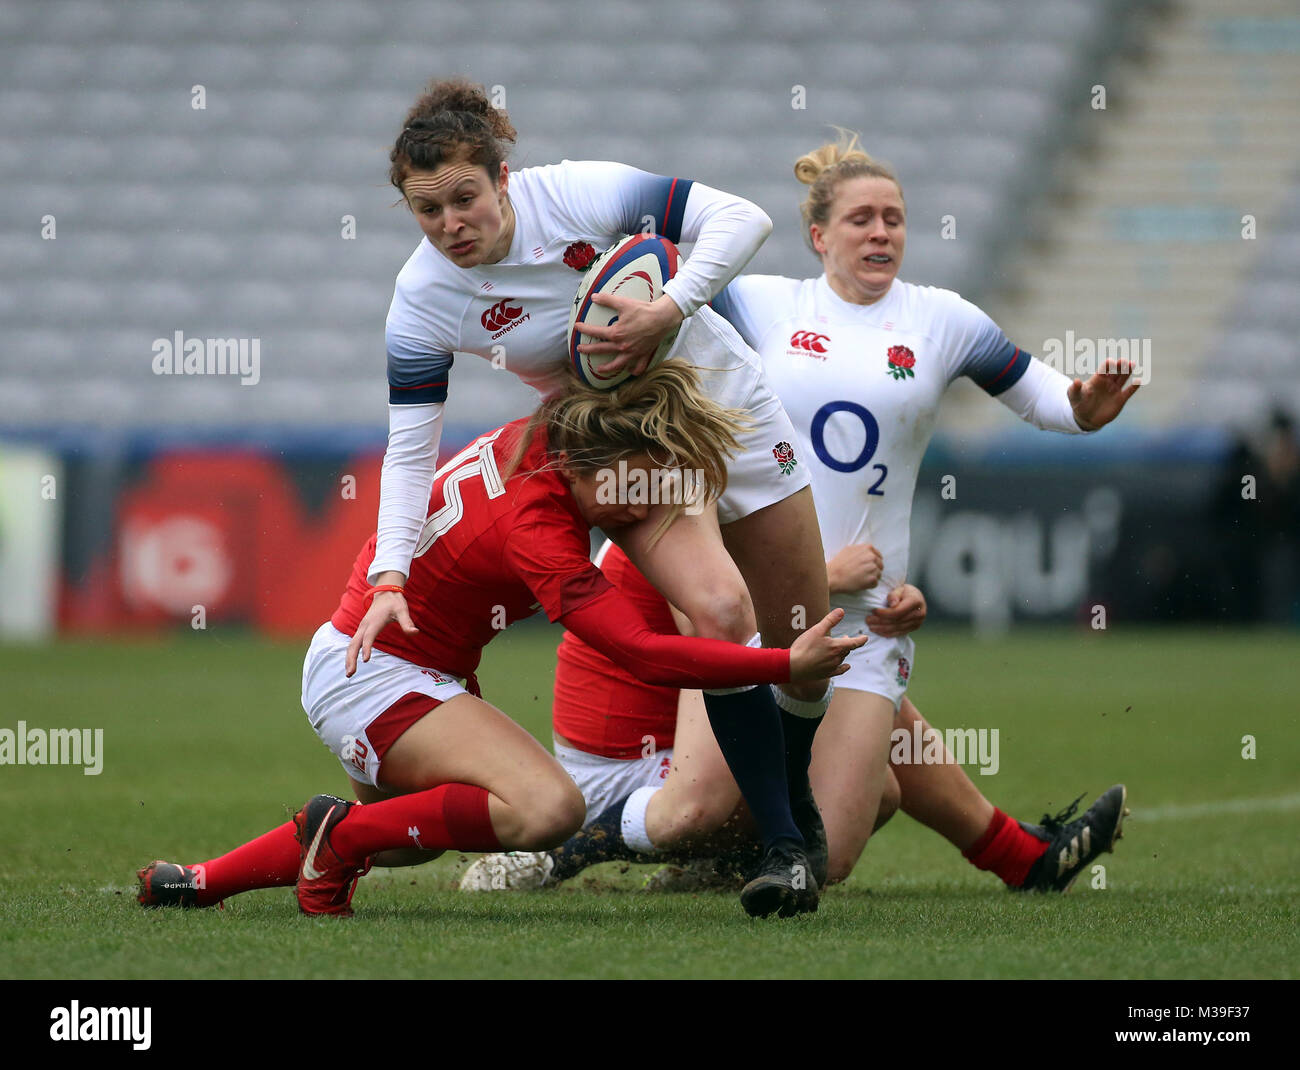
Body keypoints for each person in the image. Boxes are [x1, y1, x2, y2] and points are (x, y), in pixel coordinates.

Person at [461, 131, 1137, 894]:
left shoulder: (943, 320)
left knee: (843, 840)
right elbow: (642, 319)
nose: (881, 231)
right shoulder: (757, 302)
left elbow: (1038, 390)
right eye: (861, 219)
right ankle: (567, 850)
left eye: (894, 217)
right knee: (701, 806)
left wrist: (1080, 410)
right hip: (754, 596)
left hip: (862, 619)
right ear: (818, 236)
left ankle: (1011, 857)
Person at [348, 77, 859, 916]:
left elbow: (743, 219)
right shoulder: (423, 299)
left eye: (465, 200)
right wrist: (390, 575)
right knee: (725, 611)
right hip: (622, 446)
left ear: (503, 181)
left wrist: (668, 308)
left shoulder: (577, 193)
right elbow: (410, 448)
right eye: (426, 210)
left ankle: (791, 816)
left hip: (725, 406)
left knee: (805, 642)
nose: (450, 226)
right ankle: (782, 846)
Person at [136, 366, 865, 917]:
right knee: (549, 810)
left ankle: (198, 883)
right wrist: (782, 662)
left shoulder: (559, 431)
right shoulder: (539, 533)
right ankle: (337, 845)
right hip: (377, 672)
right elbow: (642, 651)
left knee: (401, 836)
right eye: (634, 490)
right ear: (588, 470)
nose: (642, 509)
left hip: (373, 658)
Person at [462, 539, 1124, 895]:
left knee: (872, 772)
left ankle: (1018, 854)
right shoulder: (681, 509)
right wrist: (826, 578)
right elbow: (716, 630)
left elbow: (780, 623)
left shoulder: (733, 496)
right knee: (838, 817)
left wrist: (888, 600)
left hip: (671, 738)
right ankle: (562, 855)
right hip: (618, 772)